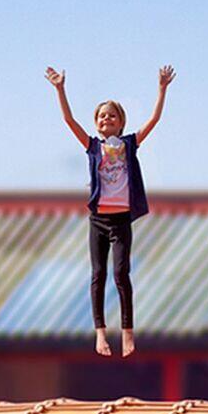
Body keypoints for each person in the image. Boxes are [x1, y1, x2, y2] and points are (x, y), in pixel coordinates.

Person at [47, 63, 171, 356]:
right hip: (98, 219)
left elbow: (153, 121)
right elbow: (68, 120)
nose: (106, 119)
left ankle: (128, 333)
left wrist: (161, 89)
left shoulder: (128, 145)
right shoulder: (92, 147)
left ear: (120, 122)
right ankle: (100, 334)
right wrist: (60, 89)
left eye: (112, 115)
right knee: (98, 273)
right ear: (97, 122)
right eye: (102, 116)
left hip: (121, 219)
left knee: (121, 272)